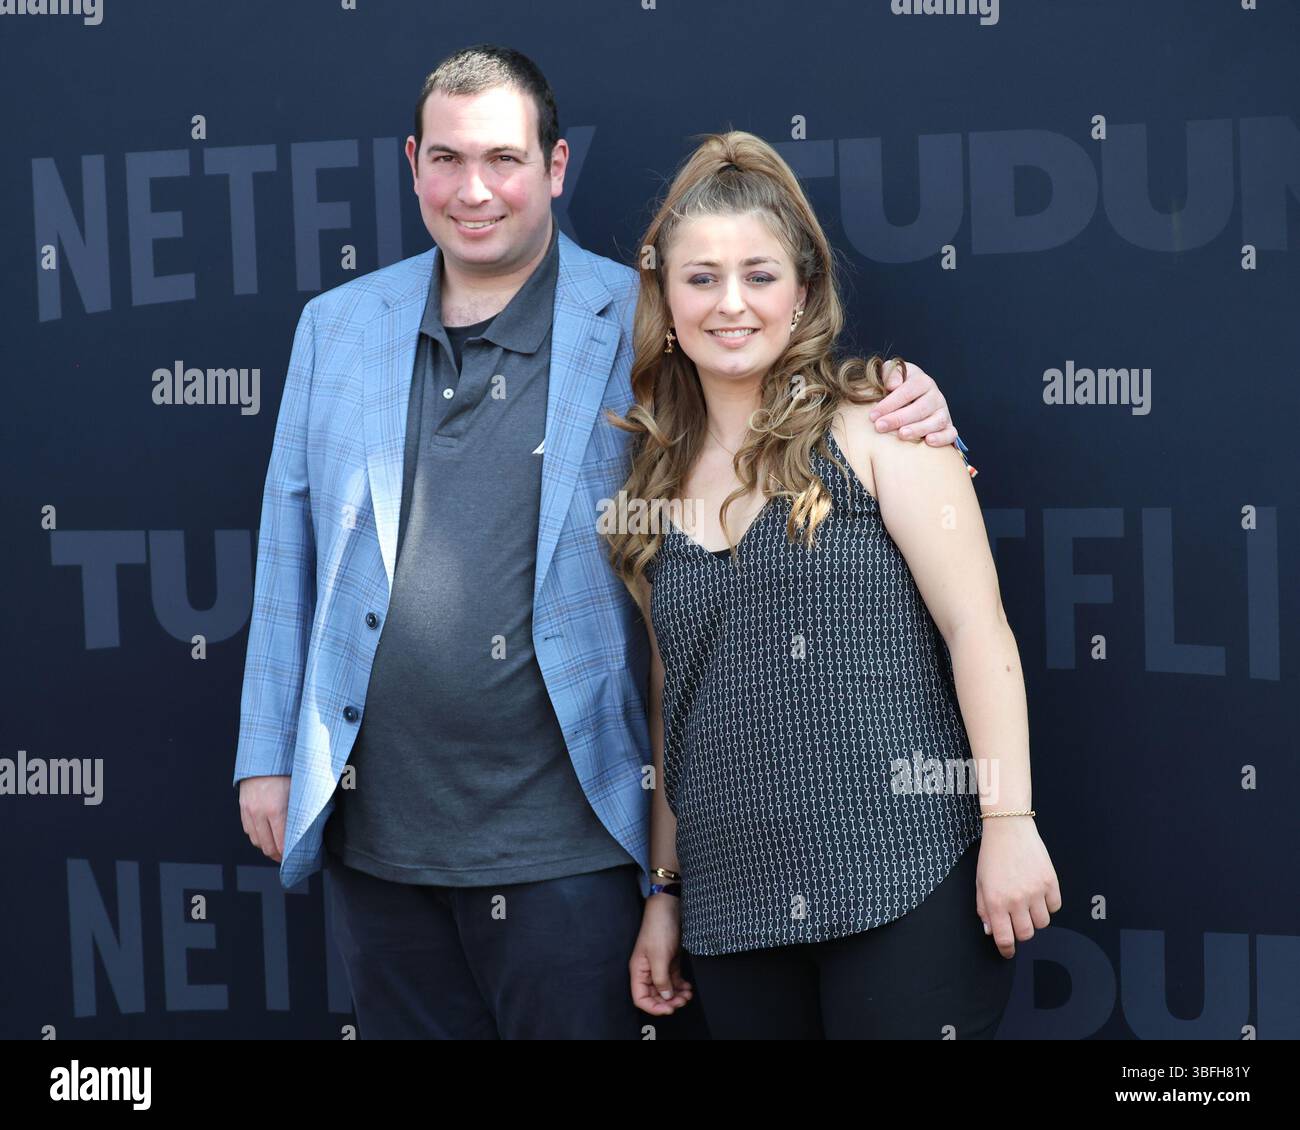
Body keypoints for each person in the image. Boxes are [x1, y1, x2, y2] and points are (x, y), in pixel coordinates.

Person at [234, 45, 966, 1039]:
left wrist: (922, 417)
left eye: (502, 158)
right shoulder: (337, 327)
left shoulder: (649, 316)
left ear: (555, 168)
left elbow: (784, 402)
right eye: (446, 160)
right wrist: (266, 753)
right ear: (413, 165)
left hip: (572, 842)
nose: (474, 189)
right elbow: (291, 543)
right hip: (378, 843)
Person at [608, 131, 1061, 1039]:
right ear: (664, 296)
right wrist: (664, 892)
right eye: (700, 278)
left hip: (903, 878)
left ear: (804, 291)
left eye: (759, 275)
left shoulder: (879, 418)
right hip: (734, 911)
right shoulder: (648, 485)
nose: (730, 303)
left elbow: (980, 628)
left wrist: (1009, 819)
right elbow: (673, 708)